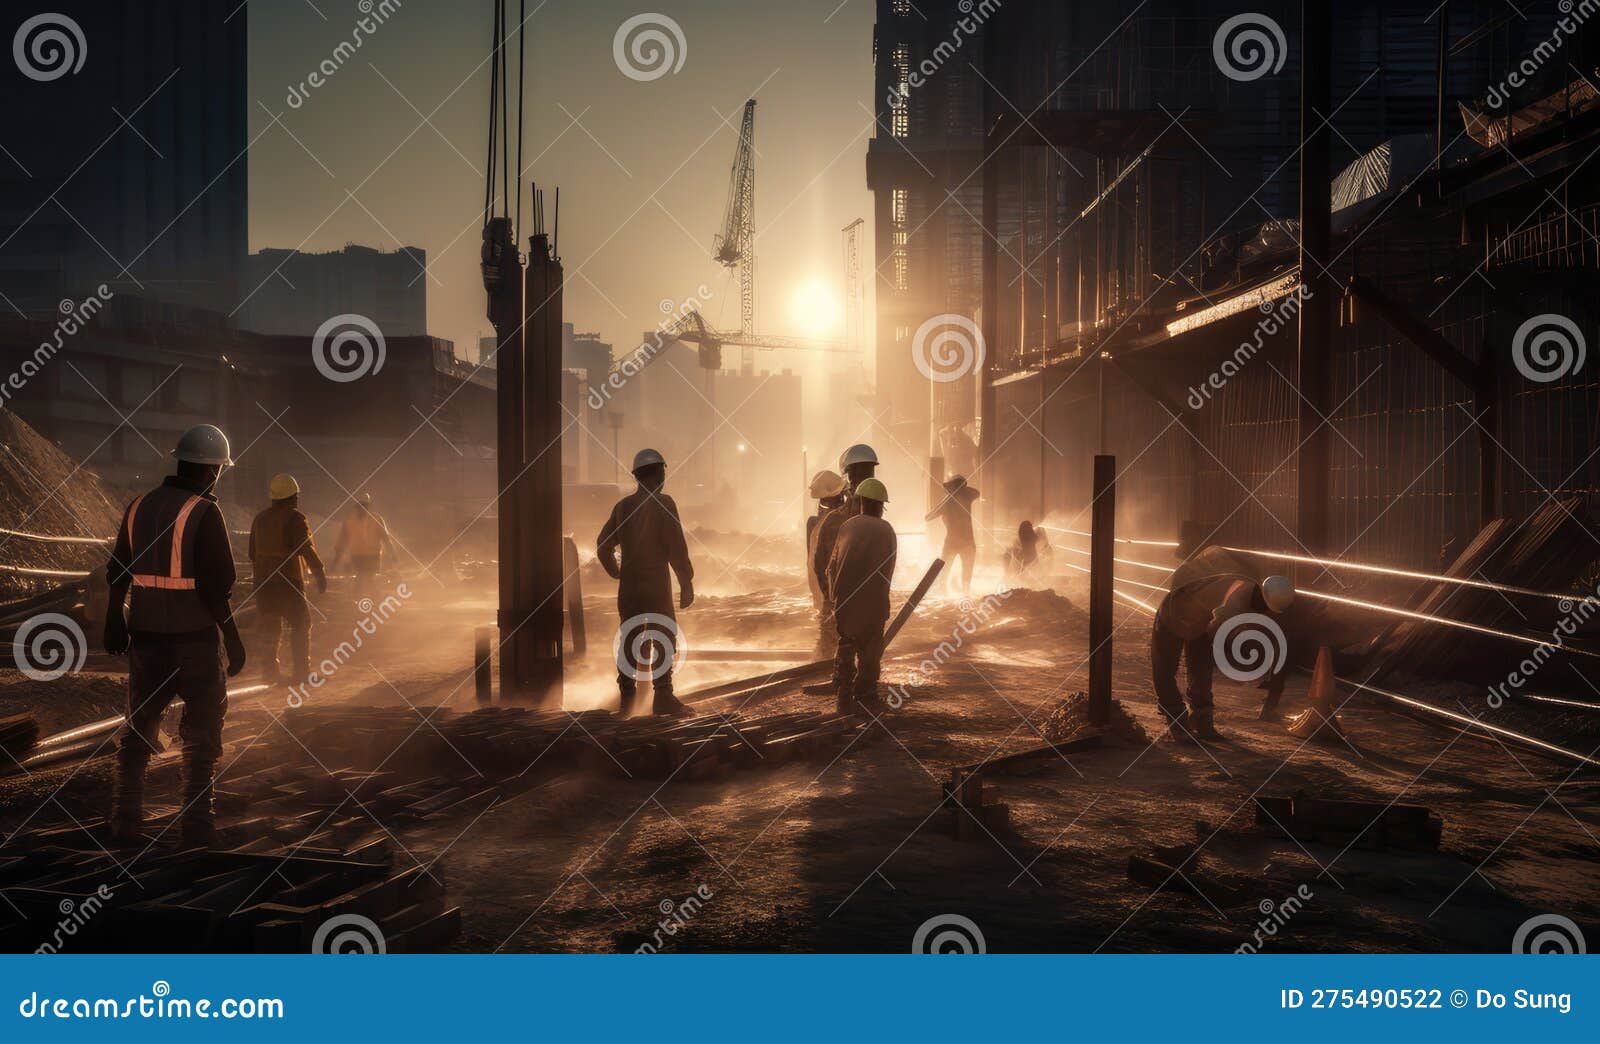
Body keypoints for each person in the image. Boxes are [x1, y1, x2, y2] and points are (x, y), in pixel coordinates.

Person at [103, 424, 247, 847]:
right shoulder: (205, 511)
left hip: (146, 639)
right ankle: (197, 828)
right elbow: (216, 587)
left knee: (140, 728)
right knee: (202, 734)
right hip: (194, 641)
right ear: (211, 471)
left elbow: (117, 571)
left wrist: (115, 616)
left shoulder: (138, 507)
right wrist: (233, 638)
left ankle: (125, 822)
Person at [1151, 545, 1295, 741]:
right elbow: (1218, 632)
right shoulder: (1234, 606)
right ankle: (1181, 725)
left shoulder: (1247, 585)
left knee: (1199, 671)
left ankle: (1201, 723)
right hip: (1174, 612)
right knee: (1166, 671)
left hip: (1199, 617)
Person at [597, 448, 695, 716]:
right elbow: (677, 547)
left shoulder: (622, 507)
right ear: (657, 474)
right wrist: (686, 581)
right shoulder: (665, 503)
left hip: (629, 588)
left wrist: (615, 570)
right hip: (655, 586)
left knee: (629, 638)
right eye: (663, 472)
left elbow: (603, 546)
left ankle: (627, 699)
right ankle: (663, 696)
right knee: (662, 635)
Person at [807, 444, 878, 695]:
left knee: (845, 639)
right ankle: (856, 685)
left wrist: (829, 597)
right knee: (857, 641)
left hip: (850, 594)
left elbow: (822, 564)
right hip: (857, 594)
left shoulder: (840, 518)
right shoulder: (842, 518)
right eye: (862, 471)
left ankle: (846, 682)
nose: (864, 476)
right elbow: (822, 563)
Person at [826, 478, 896, 714]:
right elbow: (889, 569)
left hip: (846, 601)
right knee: (871, 650)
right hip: (874, 602)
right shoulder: (887, 530)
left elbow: (831, 566)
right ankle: (865, 694)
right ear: (881, 506)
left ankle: (843, 693)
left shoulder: (847, 526)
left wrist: (834, 596)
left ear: (861, 502)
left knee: (846, 643)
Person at [248, 473, 327, 684]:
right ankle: (301, 673)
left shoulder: (259, 519)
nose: (297, 500)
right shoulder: (295, 518)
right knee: (301, 624)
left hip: (263, 582)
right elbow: (306, 548)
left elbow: (251, 552)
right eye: (296, 496)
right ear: (291, 497)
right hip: (289, 581)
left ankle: (269, 672)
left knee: (271, 627)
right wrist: (319, 572)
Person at [806, 469, 848, 658]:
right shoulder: (837, 523)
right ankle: (828, 673)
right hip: (832, 593)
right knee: (834, 639)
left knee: (829, 637)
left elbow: (813, 561)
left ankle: (824, 669)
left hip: (824, 592)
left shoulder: (815, 523)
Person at [927, 474, 980, 594]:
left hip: (953, 542)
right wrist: (961, 488)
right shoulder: (967, 497)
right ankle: (965, 594)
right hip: (967, 542)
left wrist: (953, 492)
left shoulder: (947, 502)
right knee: (965, 573)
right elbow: (976, 493)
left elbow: (928, 517)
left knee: (945, 571)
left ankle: (944, 593)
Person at [335, 492, 391, 601]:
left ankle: (369, 598)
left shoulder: (376, 519)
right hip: (357, 555)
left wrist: (391, 552)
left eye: (364, 505)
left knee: (367, 577)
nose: (362, 508)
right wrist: (338, 552)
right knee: (363, 576)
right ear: (356, 506)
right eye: (360, 505)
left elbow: (385, 537)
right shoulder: (350, 521)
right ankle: (364, 598)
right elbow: (343, 538)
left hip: (372, 555)